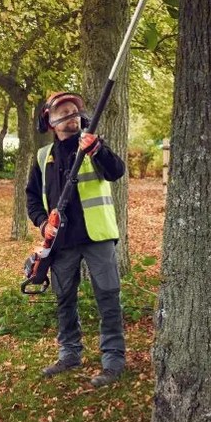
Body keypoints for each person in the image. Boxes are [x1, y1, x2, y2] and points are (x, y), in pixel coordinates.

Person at [26, 91, 127, 388]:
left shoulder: (92, 144)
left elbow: (116, 171)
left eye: (74, 112)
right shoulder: (43, 156)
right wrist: (43, 223)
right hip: (61, 241)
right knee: (64, 298)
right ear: (51, 121)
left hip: (98, 237)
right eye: (63, 113)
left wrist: (98, 150)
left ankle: (113, 359)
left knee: (108, 296)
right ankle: (69, 353)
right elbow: (32, 197)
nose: (70, 116)